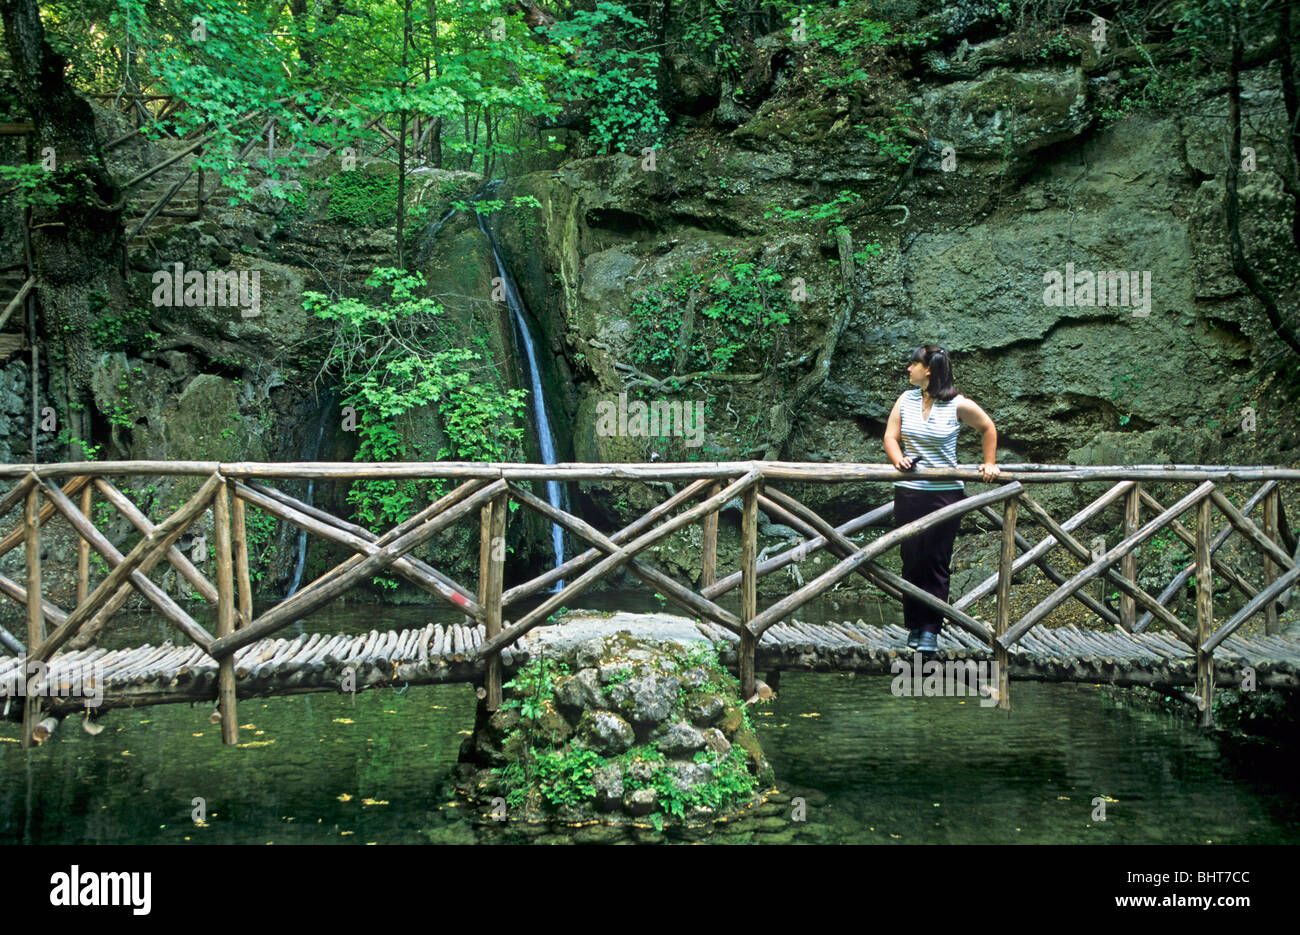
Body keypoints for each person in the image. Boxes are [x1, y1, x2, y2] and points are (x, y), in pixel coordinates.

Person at [883, 345, 1001, 654]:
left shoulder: (957, 404)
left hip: (945, 495)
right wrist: (898, 460)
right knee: (911, 558)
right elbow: (890, 437)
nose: (908, 369)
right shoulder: (905, 399)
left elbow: (987, 427)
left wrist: (989, 462)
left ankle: (930, 631)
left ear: (930, 370)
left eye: (914, 364)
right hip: (909, 492)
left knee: (935, 560)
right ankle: (913, 625)